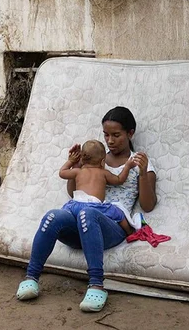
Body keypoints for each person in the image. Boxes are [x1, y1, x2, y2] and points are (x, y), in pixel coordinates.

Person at [16, 106, 157, 312]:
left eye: (116, 135)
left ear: (130, 133)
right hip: (82, 223)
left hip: (111, 226)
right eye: (106, 135)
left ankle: (96, 284)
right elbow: (73, 192)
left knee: (88, 213)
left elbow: (148, 205)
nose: (110, 141)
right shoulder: (95, 158)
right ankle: (31, 277)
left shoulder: (138, 163)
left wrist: (143, 173)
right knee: (52, 216)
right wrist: (77, 165)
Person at [58, 139, 134, 235]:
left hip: (76, 204)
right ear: (103, 162)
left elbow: (62, 173)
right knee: (118, 213)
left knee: (65, 214)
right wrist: (127, 166)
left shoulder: (78, 171)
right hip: (95, 207)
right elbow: (119, 180)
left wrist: (71, 161)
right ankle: (129, 232)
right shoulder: (103, 173)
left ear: (82, 159)